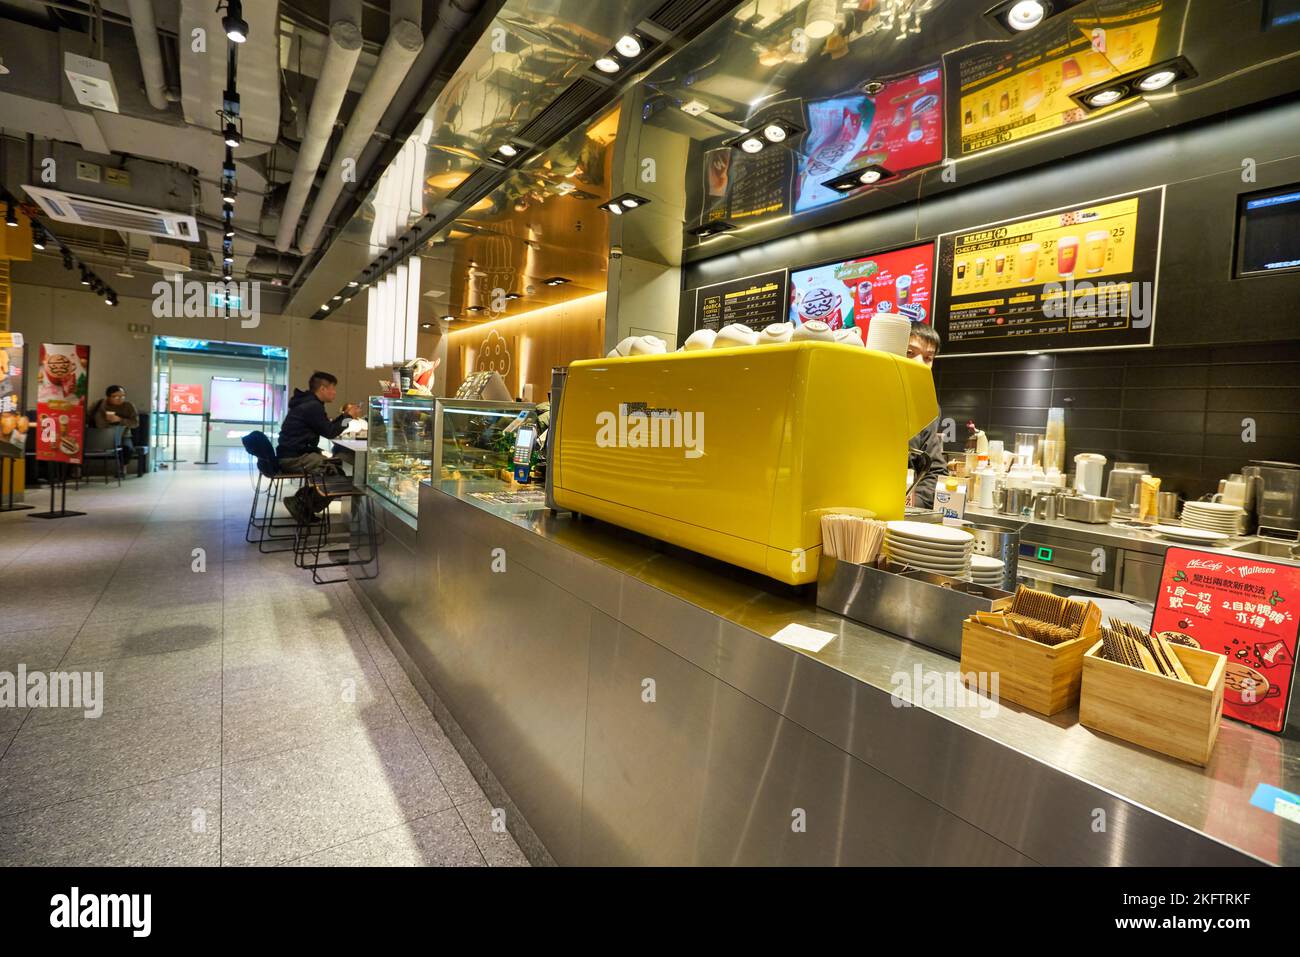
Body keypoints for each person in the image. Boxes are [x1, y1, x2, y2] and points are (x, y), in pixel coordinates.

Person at [276, 371, 362, 524]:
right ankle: (301, 504)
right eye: (332, 388)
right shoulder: (312, 406)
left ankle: (302, 504)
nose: (334, 392)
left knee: (335, 467)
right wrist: (347, 417)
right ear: (322, 389)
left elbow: (328, 428)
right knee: (336, 476)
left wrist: (345, 418)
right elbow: (330, 432)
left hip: (291, 453)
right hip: (294, 457)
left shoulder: (308, 403)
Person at [906, 322, 947, 510]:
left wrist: (909, 503)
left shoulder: (926, 407)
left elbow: (935, 471)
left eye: (928, 357)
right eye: (910, 353)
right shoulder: (861, 394)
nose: (920, 363)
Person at [88, 385, 140, 470]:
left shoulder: (129, 406)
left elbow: (135, 423)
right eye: (116, 396)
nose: (120, 399)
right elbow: (94, 420)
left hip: (123, 435)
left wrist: (120, 420)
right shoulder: (99, 405)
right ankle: (77, 470)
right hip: (101, 434)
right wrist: (106, 420)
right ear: (108, 397)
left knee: (127, 448)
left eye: (123, 396)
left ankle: (122, 469)